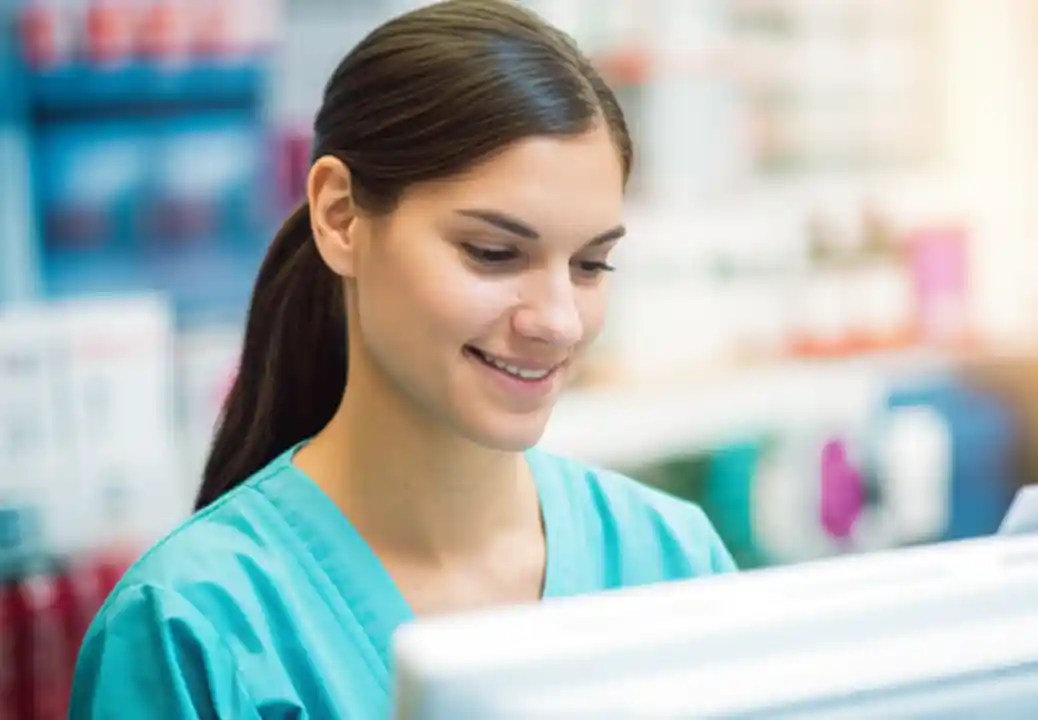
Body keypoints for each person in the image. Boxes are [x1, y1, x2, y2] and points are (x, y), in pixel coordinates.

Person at [69, 1, 736, 716]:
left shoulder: (672, 561)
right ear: (340, 217)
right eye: (494, 253)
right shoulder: (191, 627)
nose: (558, 321)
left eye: (590, 264)